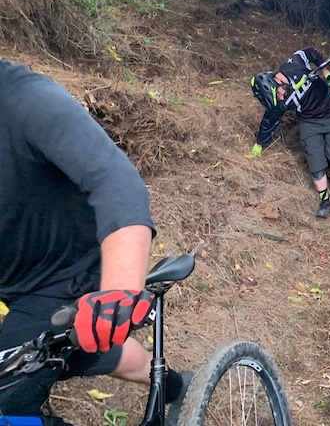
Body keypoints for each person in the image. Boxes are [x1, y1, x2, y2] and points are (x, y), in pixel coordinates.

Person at [0, 59, 190, 425]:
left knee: (9, 406)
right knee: (89, 351)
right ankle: (176, 385)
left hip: (68, 273)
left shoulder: (24, 96)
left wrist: (117, 293)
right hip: (16, 279)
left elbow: (115, 182)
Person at [250, 47, 330, 219]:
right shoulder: (278, 101)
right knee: (315, 161)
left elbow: (311, 52)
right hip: (309, 122)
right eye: (277, 99)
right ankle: (325, 201)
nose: (281, 99)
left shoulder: (294, 64)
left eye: (279, 94)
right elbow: (269, 121)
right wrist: (258, 146)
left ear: (277, 81)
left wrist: (325, 71)